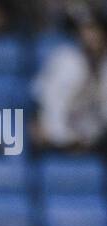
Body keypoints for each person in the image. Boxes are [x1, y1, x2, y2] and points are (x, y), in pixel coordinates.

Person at [32, 12, 107, 151]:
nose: (91, 37)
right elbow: (43, 95)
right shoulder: (66, 59)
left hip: (94, 133)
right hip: (58, 131)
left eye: (95, 31)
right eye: (87, 31)